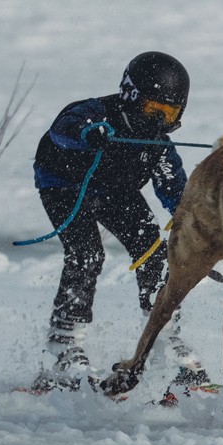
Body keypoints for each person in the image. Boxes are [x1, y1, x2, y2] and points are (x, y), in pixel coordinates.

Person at [30, 51, 190, 392]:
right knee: (87, 254)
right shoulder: (96, 114)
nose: (159, 122)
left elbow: (175, 191)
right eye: (153, 110)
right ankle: (64, 346)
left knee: (154, 251)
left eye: (170, 114)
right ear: (131, 96)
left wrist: (193, 217)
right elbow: (65, 128)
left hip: (117, 191)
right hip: (65, 185)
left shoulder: (158, 146)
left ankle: (163, 337)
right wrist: (91, 134)